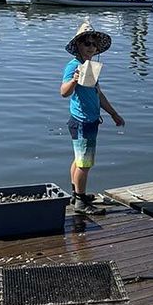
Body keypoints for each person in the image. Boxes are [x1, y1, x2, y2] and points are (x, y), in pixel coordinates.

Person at [59, 22, 124, 215]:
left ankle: (76, 194)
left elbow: (98, 94)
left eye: (93, 44)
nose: (91, 47)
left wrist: (113, 113)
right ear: (78, 45)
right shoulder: (74, 66)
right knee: (85, 163)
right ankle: (80, 202)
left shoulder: (91, 67)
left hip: (90, 120)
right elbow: (63, 92)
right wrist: (74, 80)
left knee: (79, 160)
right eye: (86, 43)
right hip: (81, 121)